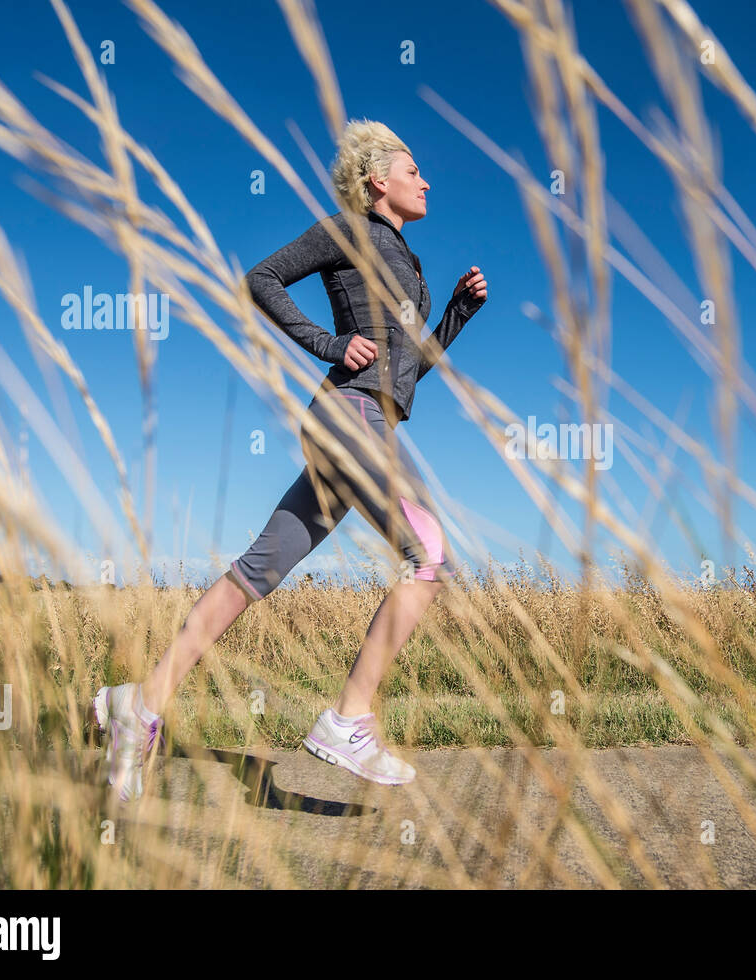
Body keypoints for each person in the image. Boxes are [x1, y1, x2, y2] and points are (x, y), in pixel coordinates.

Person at [92, 119, 488, 800]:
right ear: (377, 180)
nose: (425, 180)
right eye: (413, 168)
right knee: (429, 556)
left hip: (371, 422)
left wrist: (453, 312)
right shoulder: (345, 230)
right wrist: (330, 346)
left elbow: (406, 372)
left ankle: (141, 704)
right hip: (348, 417)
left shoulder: (412, 269)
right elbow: (262, 279)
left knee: (255, 572)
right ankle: (349, 718)